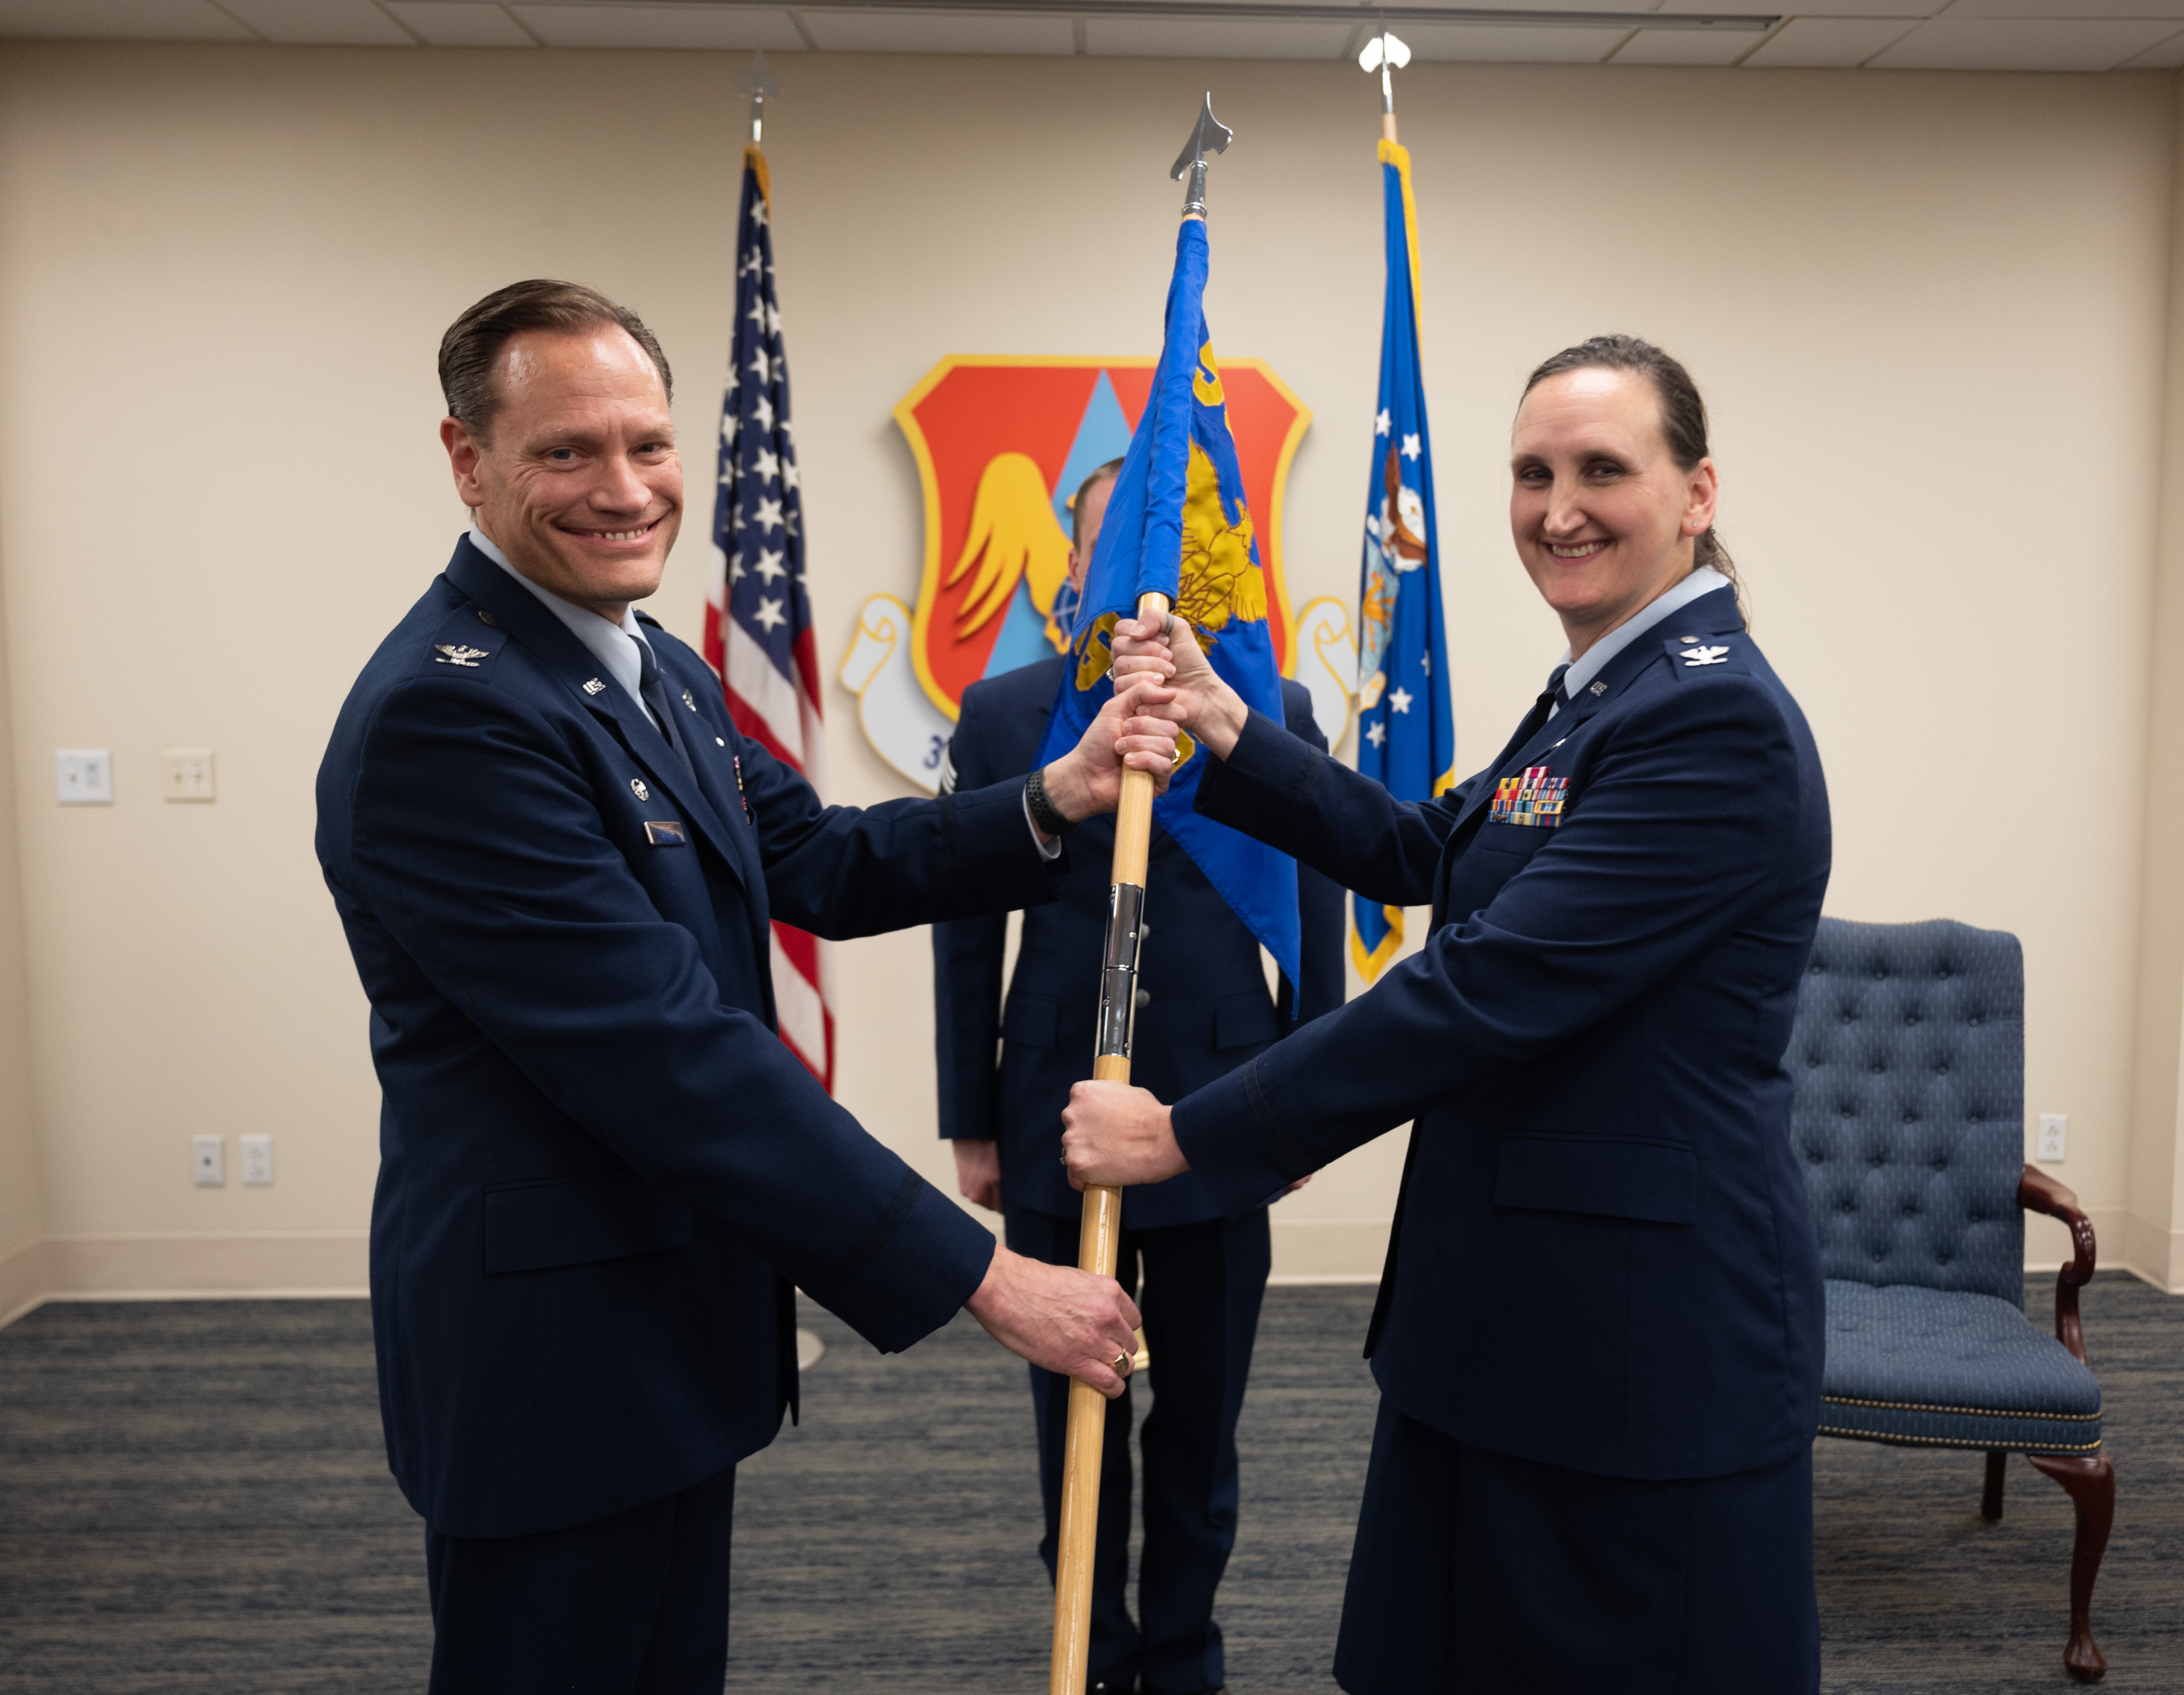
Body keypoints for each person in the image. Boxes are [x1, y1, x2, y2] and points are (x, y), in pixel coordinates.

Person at [315, 279, 1179, 1694]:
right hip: (553, 1358)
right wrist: (983, 1273)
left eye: (648, 445)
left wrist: (1056, 796)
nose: (625, 488)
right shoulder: (453, 714)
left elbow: (818, 859)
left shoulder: (647, 663)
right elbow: (670, 1055)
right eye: (565, 451)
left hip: (663, 1326)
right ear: (468, 461)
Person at [1065, 335, 1831, 1693]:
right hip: (1505, 1309)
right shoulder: (1596, 695)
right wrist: (1227, 721)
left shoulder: (1714, 721)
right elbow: (1434, 849)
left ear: (1699, 489)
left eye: (1605, 468)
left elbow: (1480, 987)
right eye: (1533, 472)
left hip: (1633, 1344)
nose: (1558, 507)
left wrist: (1183, 1135)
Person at [932, 460, 1345, 1695]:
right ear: (1073, 571)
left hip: (1222, 1104)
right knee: (1075, 1413)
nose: (1146, 580)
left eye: (1173, 550)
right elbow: (963, 928)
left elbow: (1315, 912)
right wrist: (972, 1117)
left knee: (1200, 1416)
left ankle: (1183, 1651)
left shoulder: (1263, 710)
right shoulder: (1007, 713)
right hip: (1055, 1103)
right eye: (1116, 554)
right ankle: (1092, 1649)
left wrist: (1311, 1093)